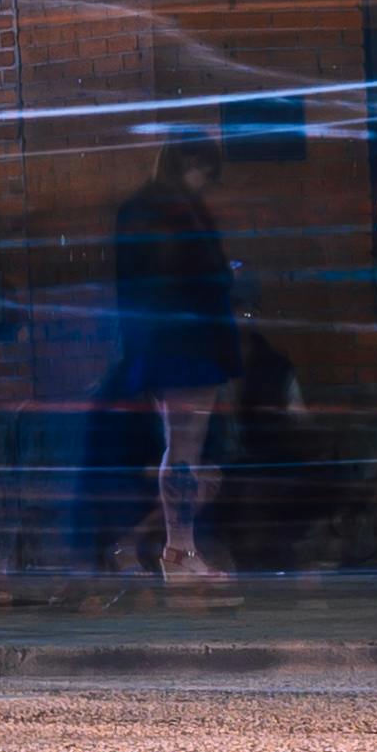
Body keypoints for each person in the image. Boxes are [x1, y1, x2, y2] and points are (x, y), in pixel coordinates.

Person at [106, 136, 244, 585]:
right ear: (191, 163)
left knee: (180, 447)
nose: (206, 182)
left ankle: (179, 550)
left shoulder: (139, 210)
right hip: (188, 341)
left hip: (163, 342)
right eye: (205, 171)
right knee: (185, 448)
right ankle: (180, 551)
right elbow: (197, 278)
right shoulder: (177, 212)